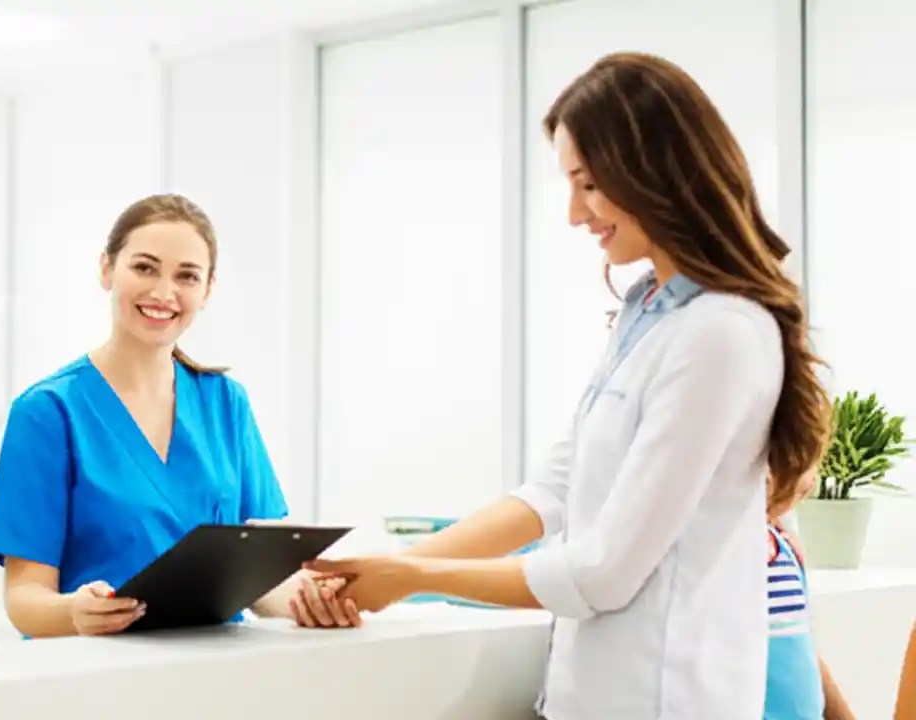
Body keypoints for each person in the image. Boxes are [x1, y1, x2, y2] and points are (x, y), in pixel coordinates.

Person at [301, 52, 834, 719]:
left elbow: (603, 572)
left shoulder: (720, 333)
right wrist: (391, 569)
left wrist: (412, 577)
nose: (575, 214)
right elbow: (555, 486)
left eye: (586, 183)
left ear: (650, 169)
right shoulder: (648, 311)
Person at [0, 193, 339, 637]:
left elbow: (260, 583)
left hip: (218, 672)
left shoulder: (226, 404)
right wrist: (75, 612)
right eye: (144, 268)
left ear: (206, 290)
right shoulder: (48, 413)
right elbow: (25, 600)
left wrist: (313, 599)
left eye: (186, 276)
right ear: (107, 269)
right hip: (96, 674)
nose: (163, 292)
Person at [764, 472, 853, 719]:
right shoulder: (729, 559)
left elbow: (804, 649)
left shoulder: (786, 547)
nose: (814, 480)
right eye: (808, 464)